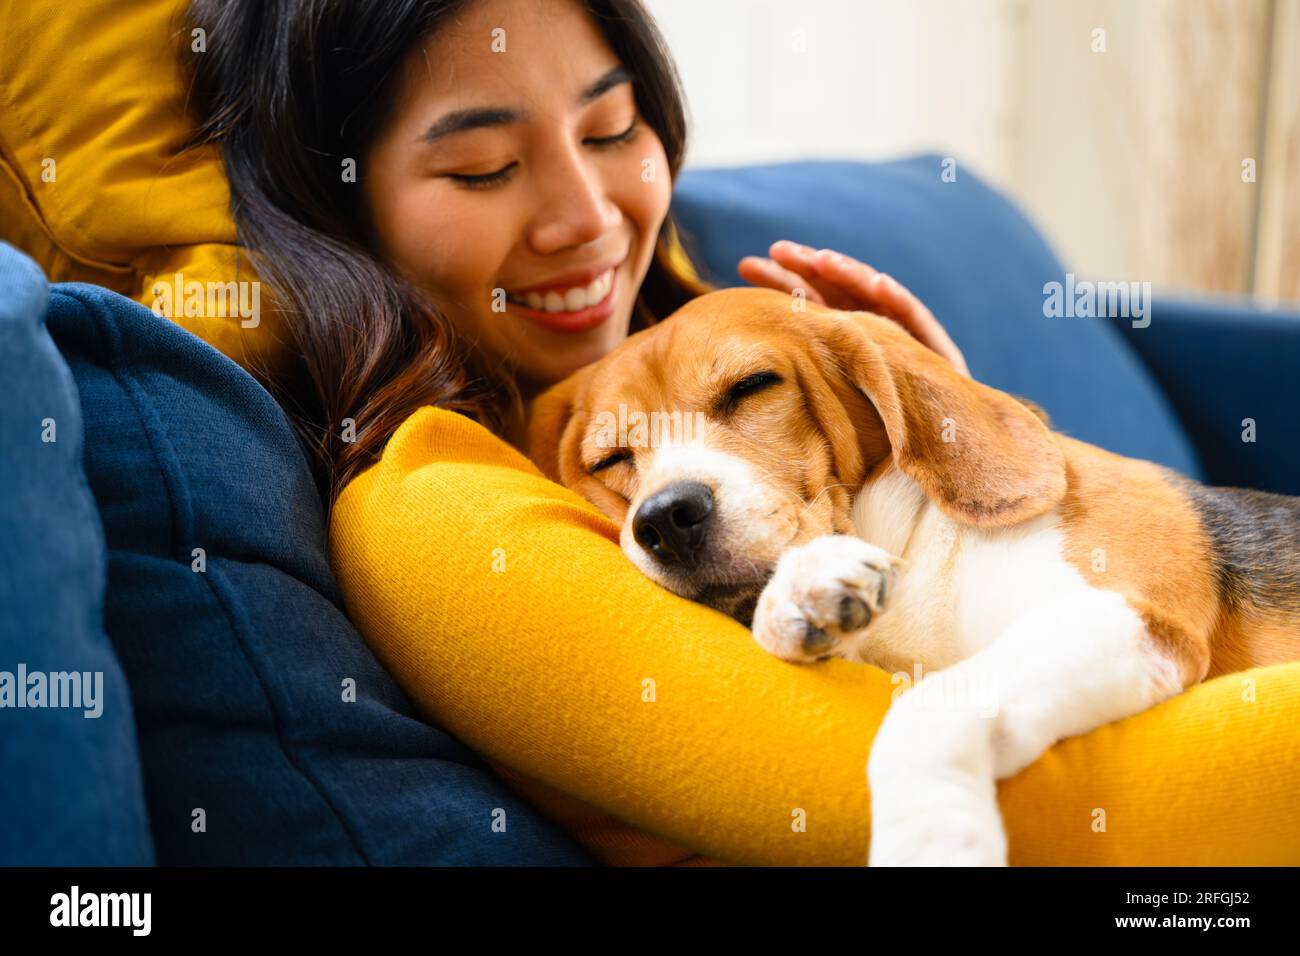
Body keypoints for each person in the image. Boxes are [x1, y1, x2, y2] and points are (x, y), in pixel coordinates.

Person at [182, 0, 1272, 865]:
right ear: (336, 205)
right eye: (482, 167)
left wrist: (935, 415)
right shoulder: (438, 505)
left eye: (611, 130)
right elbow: (967, 803)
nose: (588, 216)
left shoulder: (763, 328)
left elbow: (1096, 578)